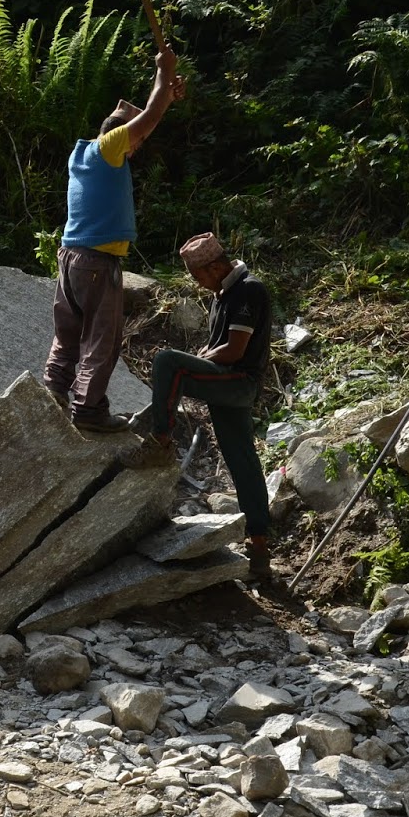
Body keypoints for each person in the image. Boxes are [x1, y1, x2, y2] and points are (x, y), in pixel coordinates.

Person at [44, 46, 184, 433]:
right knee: (101, 341)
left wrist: (167, 96)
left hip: (70, 257)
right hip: (96, 263)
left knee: (69, 333)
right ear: (122, 136)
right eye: (135, 141)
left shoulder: (83, 154)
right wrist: (163, 74)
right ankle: (88, 413)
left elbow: (148, 119)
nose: (137, 148)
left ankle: (53, 390)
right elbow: (148, 119)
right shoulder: (109, 147)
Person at [124, 232, 274, 577]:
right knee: (242, 461)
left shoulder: (248, 290)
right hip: (227, 384)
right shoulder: (222, 295)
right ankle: (260, 545)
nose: (199, 283)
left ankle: (160, 442)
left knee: (166, 362)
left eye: (200, 276)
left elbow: (235, 351)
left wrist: (198, 358)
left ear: (217, 265)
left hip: (238, 382)